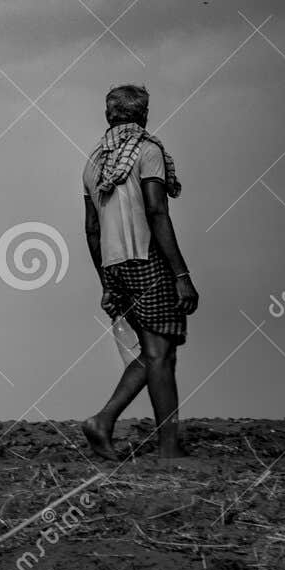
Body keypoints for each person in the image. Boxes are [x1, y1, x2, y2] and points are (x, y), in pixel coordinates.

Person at [80, 84, 199, 461]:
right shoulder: (147, 152)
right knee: (160, 355)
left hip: (114, 265)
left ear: (107, 115)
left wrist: (105, 283)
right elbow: (157, 210)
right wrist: (181, 274)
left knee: (154, 354)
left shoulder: (94, 163)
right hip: (146, 259)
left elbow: (92, 229)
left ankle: (130, 431)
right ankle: (159, 445)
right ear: (145, 114)